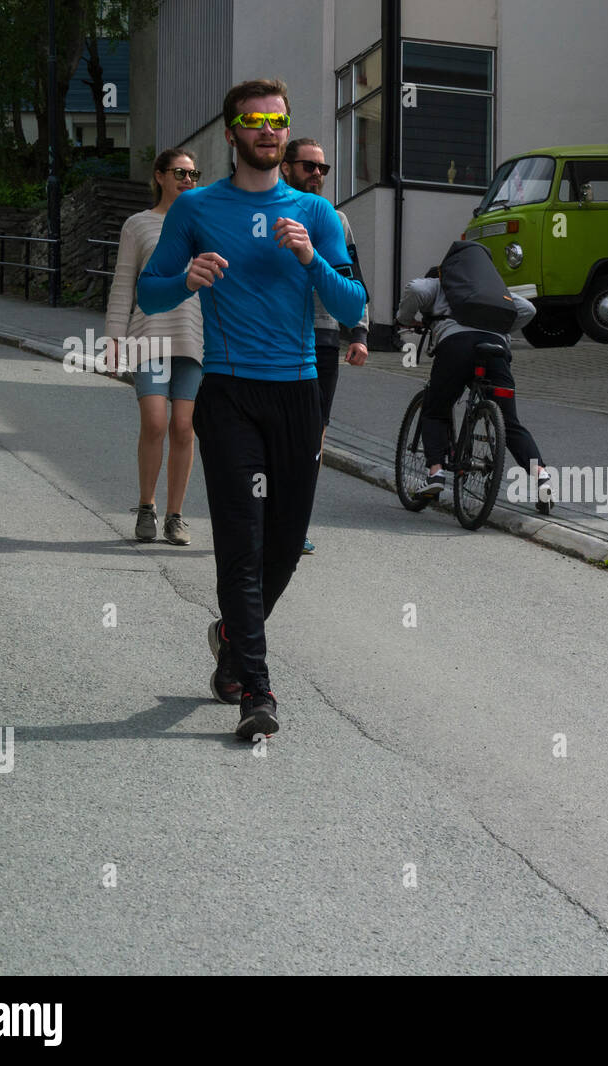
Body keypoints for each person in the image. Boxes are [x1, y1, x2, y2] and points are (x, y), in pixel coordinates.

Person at [137, 78, 365, 741]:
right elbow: (152, 297)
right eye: (255, 119)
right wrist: (184, 279)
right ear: (231, 130)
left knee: (285, 546)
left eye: (278, 119)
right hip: (229, 393)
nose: (269, 128)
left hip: (298, 393)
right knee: (242, 543)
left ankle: (232, 639)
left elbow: (354, 308)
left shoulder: (316, 214)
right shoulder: (197, 208)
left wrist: (310, 258)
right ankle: (257, 694)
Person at [394, 254, 553, 508]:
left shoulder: (440, 281)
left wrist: (404, 319)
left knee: (435, 409)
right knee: (509, 422)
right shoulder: (492, 290)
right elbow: (528, 309)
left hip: (456, 348)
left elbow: (414, 288)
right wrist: (500, 327)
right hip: (495, 351)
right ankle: (541, 477)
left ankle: (435, 473)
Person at [105, 149, 205, 544]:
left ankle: (175, 516)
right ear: (160, 176)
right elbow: (122, 283)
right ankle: (146, 506)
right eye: (179, 172)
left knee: (184, 428)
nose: (187, 179)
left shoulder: (203, 226)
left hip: (194, 339)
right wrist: (113, 339)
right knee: (156, 422)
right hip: (150, 335)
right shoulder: (138, 225)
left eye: (193, 173)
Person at [278, 136, 370, 555]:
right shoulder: (269, 208)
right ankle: (266, 517)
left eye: (322, 168)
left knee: (312, 436)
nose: (316, 174)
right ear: (285, 167)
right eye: (308, 166)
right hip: (276, 336)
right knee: (274, 432)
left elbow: (355, 282)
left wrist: (361, 333)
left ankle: (295, 525)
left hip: (324, 337)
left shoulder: (336, 219)